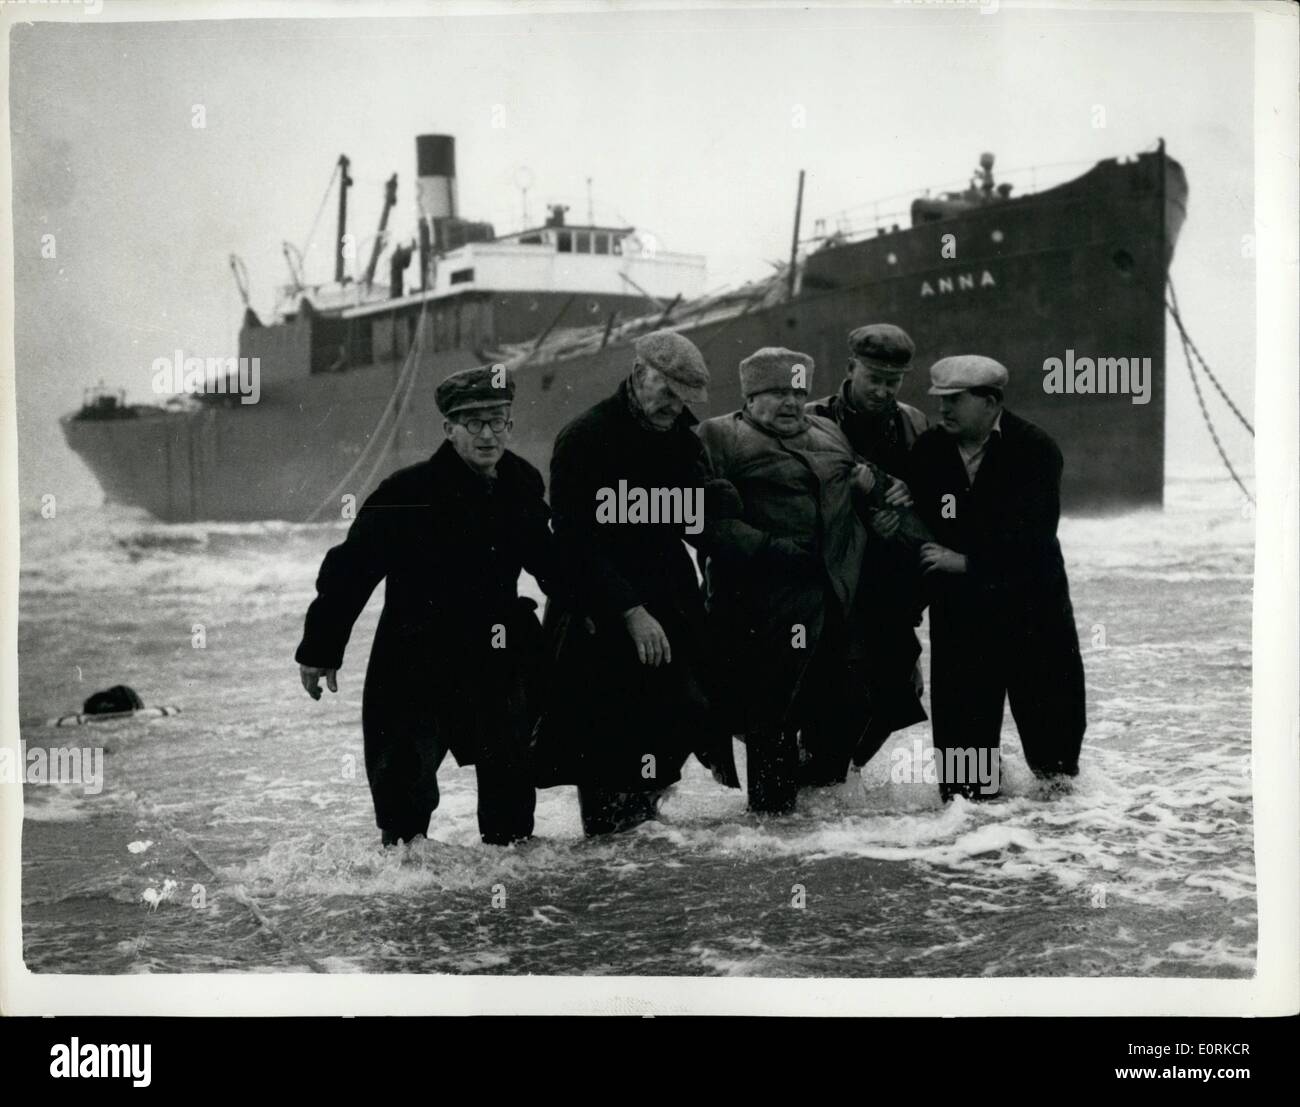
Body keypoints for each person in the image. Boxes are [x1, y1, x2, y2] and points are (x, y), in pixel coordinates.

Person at [295, 364, 556, 846]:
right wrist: (320, 648)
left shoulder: (521, 482)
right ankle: (409, 908)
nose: (487, 434)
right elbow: (350, 571)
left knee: (512, 808)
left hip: (496, 656)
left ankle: (514, 909)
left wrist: (608, 607)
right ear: (449, 429)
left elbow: (549, 560)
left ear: (510, 426)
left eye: (497, 421)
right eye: (473, 422)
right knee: (404, 807)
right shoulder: (408, 492)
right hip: (418, 660)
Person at [533, 329, 738, 836]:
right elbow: (574, 541)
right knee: (606, 739)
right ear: (638, 374)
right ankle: (610, 874)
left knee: (689, 711)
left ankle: (647, 840)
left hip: (670, 601)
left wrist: (720, 499)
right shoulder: (584, 437)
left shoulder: (680, 440)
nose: (675, 406)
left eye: (684, 398)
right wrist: (629, 611)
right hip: (597, 613)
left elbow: (695, 522)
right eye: (666, 393)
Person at [696, 347, 911, 813]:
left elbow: (858, 483)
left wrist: (878, 499)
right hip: (764, 610)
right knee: (771, 719)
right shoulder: (718, 436)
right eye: (776, 393)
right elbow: (705, 521)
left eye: (798, 392)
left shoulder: (829, 430)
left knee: (853, 702)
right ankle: (775, 834)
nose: (790, 403)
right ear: (750, 397)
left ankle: (821, 830)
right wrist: (772, 551)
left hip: (838, 604)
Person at [907, 355, 1087, 801]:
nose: (943, 409)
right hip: (962, 622)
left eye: (954, 400)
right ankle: (971, 858)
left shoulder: (1036, 449)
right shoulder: (930, 450)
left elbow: (1036, 537)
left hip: (1034, 615)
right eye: (939, 400)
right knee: (965, 780)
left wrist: (966, 563)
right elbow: (919, 522)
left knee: (1055, 766)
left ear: (991, 402)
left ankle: (1053, 853)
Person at [806, 323, 930, 777]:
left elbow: (936, 491)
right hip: (830, 580)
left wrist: (908, 492)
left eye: (892, 381)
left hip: (889, 581)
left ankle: (839, 773)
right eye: (872, 378)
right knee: (839, 689)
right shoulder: (812, 418)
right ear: (850, 368)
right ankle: (824, 782)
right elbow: (795, 497)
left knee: (899, 688)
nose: (882, 391)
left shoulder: (913, 421)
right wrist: (859, 502)